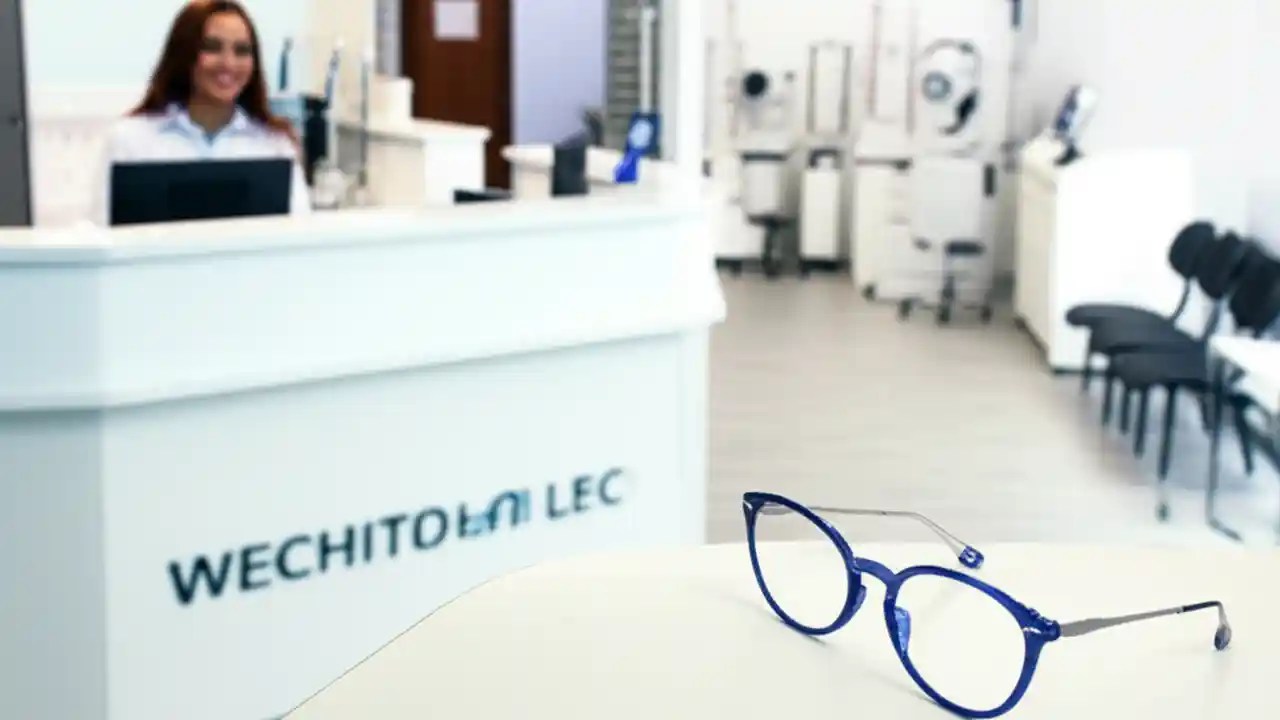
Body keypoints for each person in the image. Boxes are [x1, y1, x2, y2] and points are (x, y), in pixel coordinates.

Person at [95, 0, 310, 224]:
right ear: (184, 54)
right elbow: (102, 234)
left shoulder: (274, 144)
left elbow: (299, 235)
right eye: (212, 47)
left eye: (242, 51)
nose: (228, 63)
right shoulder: (131, 140)